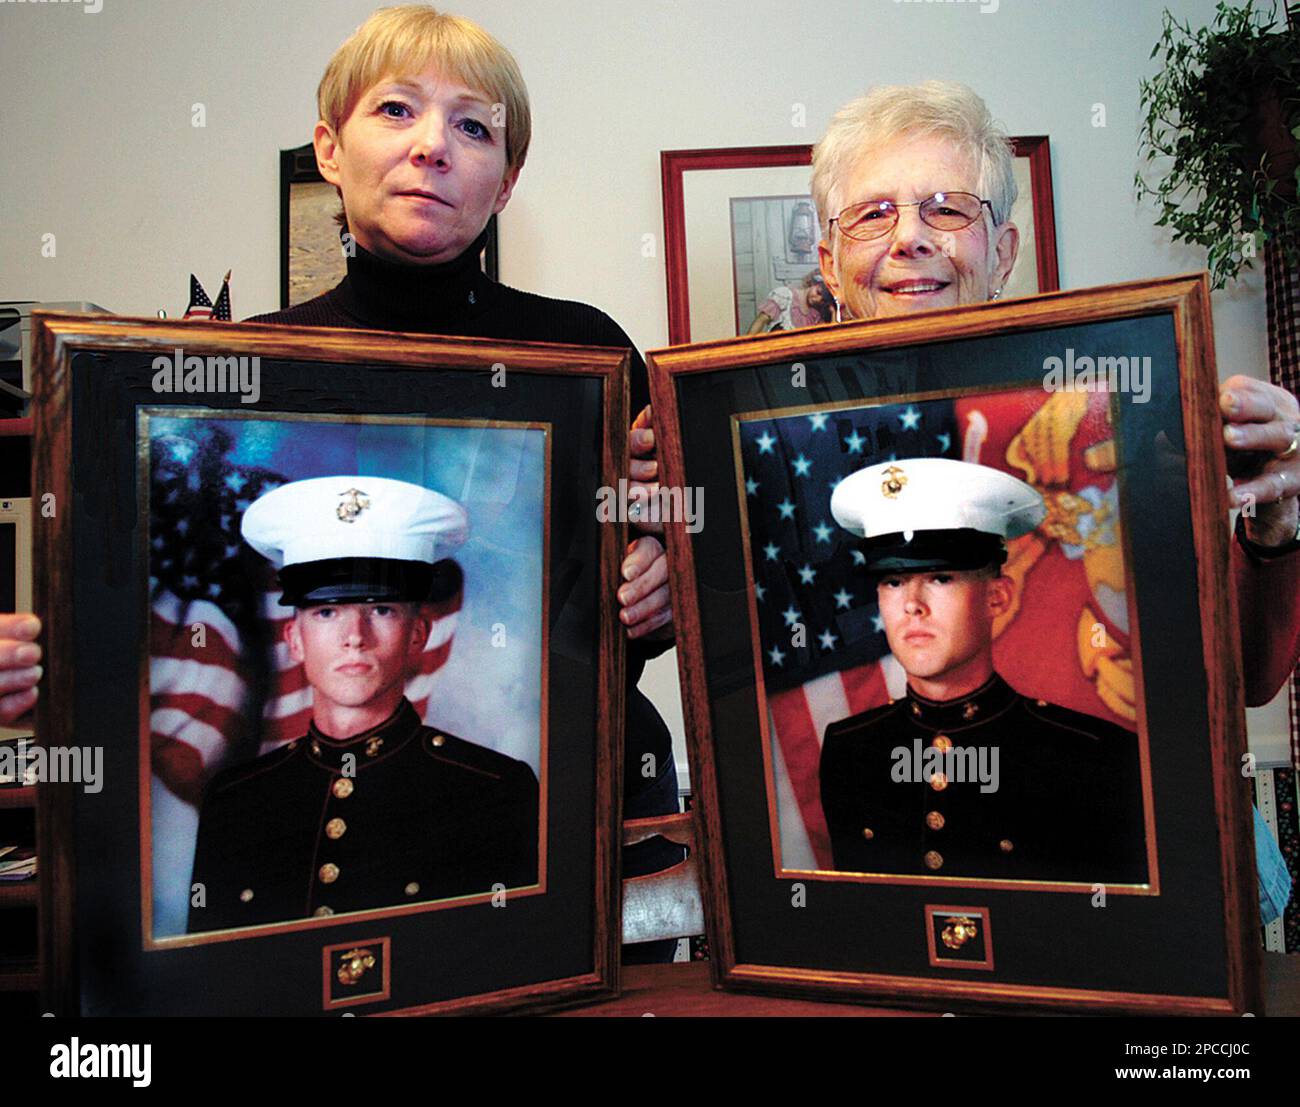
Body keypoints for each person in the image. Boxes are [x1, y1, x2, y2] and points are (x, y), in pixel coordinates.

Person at [0, 5, 681, 958]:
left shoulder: (588, 353)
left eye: (475, 126)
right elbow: (142, 615)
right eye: (395, 110)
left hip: (580, 818)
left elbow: (635, 606)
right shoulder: (232, 379)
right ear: (328, 146)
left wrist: (661, 587)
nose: (433, 147)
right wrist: (53, 664)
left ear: (508, 178)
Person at [806, 79, 1300, 708]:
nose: (910, 238)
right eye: (873, 214)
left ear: (1004, 253)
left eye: (948, 208)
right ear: (829, 264)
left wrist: (1273, 516)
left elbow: (1245, 678)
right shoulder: (758, 433)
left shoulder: (1116, 405)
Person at [188, 476, 538, 931]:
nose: (355, 637)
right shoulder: (233, 801)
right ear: (295, 639)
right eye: (327, 612)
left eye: (381, 609)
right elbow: (213, 983)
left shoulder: (494, 790)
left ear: (418, 634)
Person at [819, 458, 1147, 883]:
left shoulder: (1092, 757)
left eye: (940, 578)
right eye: (893, 581)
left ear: (997, 597)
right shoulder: (850, 751)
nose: (912, 604)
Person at [746, 270, 834, 334]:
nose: (817, 299)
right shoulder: (785, 296)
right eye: (818, 292)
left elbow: (827, 337)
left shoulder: (816, 316)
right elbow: (760, 321)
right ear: (813, 283)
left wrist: (833, 311)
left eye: (823, 300)